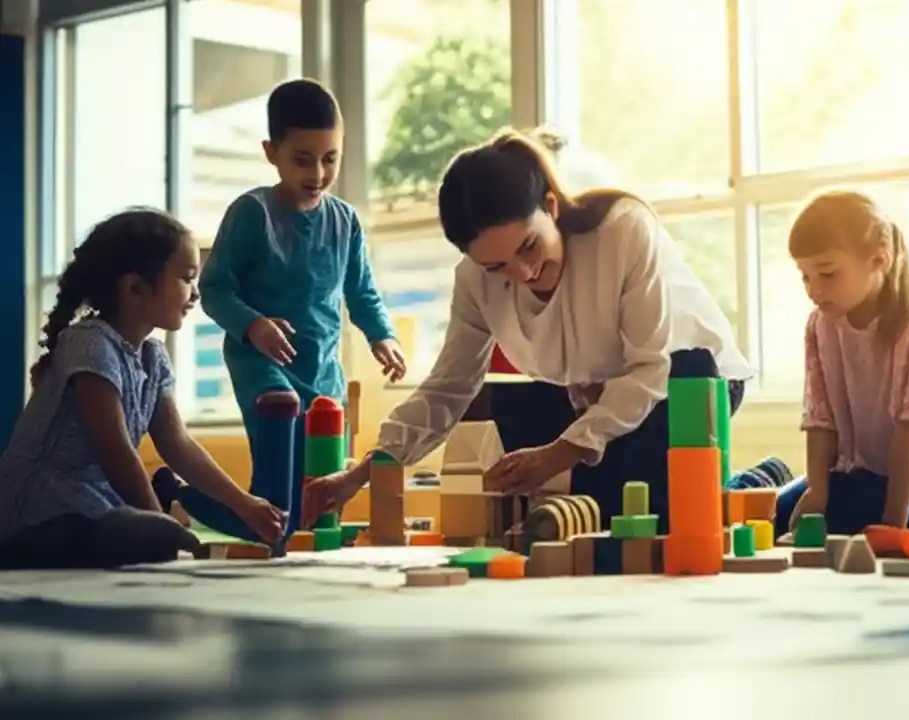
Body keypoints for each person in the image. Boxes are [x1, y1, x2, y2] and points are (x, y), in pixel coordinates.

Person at [302, 128, 753, 529]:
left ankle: (753, 481)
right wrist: (360, 475)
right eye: (498, 266)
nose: (524, 272)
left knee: (639, 516)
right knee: (569, 492)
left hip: (694, 379)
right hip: (599, 393)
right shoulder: (475, 282)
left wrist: (557, 454)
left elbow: (649, 370)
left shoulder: (622, 232)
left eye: (530, 246)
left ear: (551, 208)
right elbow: (447, 390)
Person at [0, 210, 284, 569]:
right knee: (149, 536)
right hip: (35, 518)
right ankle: (163, 512)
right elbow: (115, 450)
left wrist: (244, 504)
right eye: (186, 278)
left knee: (145, 531)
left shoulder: (152, 357)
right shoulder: (89, 344)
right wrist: (157, 523)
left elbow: (177, 443)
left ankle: (164, 507)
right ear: (134, 289)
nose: (195, 293)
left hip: (91, 509)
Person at [196, 78, 405, 533]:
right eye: (302, 160)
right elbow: (214, 289)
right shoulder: (252, 213)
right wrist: (253, 326)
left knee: (314, 495)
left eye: (330, 159)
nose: (317, 174)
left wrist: (382, 335)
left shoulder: (345, 221)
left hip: (321, 372)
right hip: (263, 368)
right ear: (271, 153)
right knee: (277, 488)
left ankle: (300, 553)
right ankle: (181, 496)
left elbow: (361, 290)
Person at [774, 190, 909, 547]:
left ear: (878, 261)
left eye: (827, 274)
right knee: (784, 511)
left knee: (851, 511)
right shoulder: (820, 325)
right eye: (805, 277)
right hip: (865, 475)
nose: (813, 289)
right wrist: (817, 497)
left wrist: (893, 526)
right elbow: (821, 419)